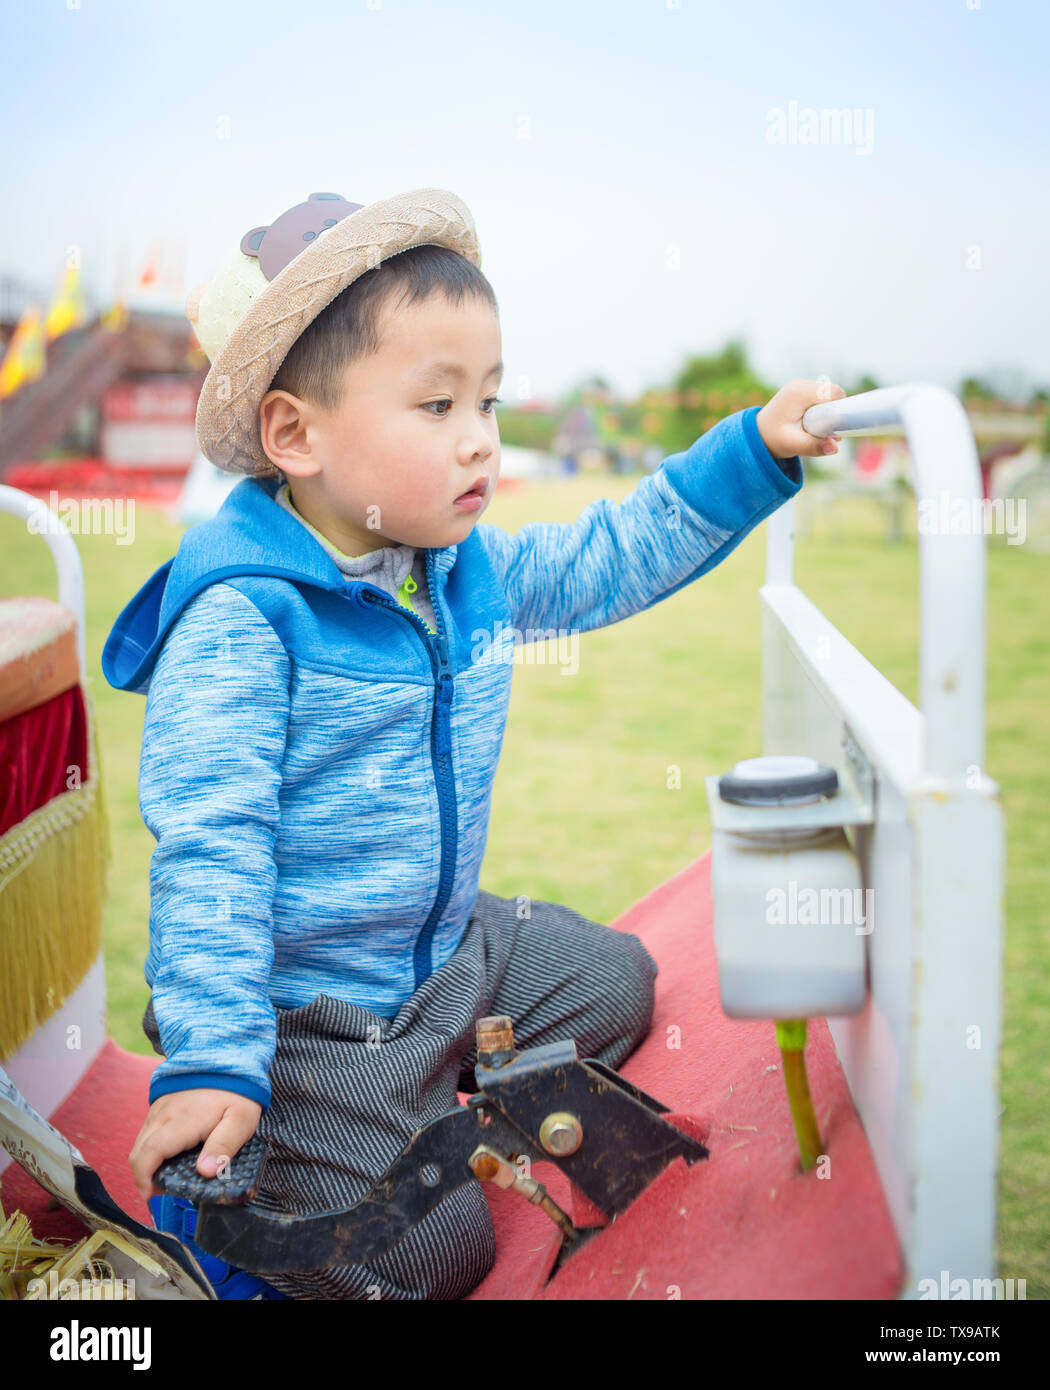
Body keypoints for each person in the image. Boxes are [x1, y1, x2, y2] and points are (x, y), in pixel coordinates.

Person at [101, 187, 844, 1300]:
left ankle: (436, 1071)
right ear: (296, 433)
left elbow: (606, 555)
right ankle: (230, 1186)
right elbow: (211, 846)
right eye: (439, 404)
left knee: (617, 985)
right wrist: (215, 1052)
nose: (481, 440)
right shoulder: (244, 616)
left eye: (489, 401)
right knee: (434, 1253)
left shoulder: (458, 568)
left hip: (441, 955)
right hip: (310, 1011)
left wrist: (748, 453)